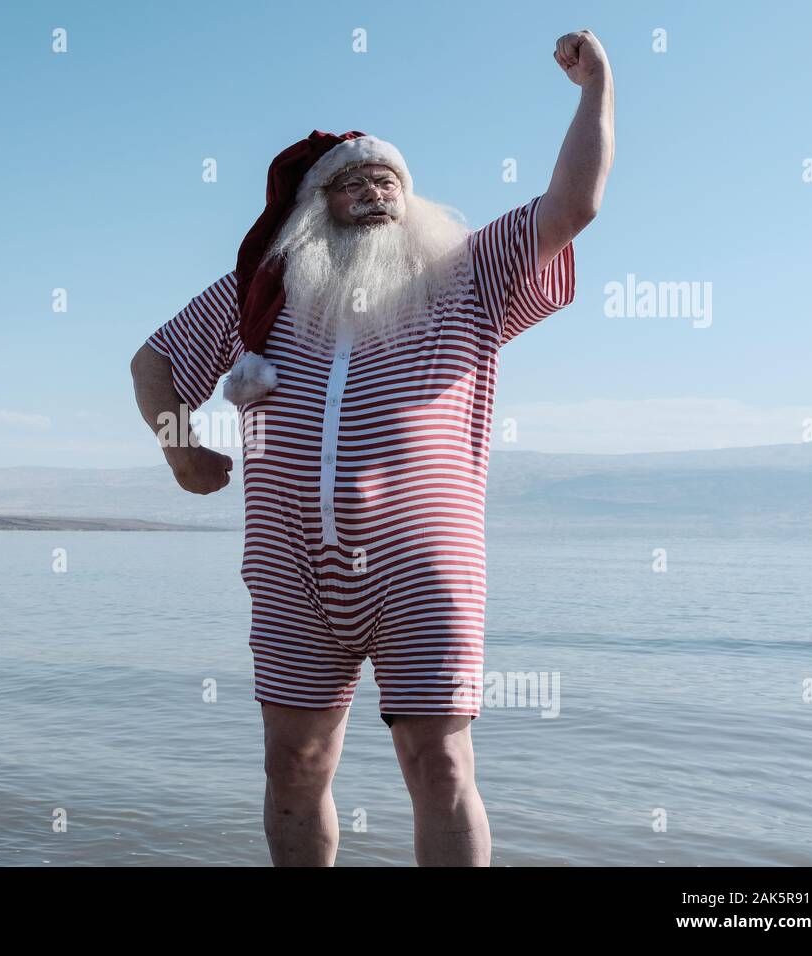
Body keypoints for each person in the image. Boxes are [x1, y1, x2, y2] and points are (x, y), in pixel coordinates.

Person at [130, 31, 614, 866]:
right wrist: (182, 451)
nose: (375, 192)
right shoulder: (264, 298)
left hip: (422, 569)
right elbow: (155, 364)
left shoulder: (467, 275)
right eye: (351, 183)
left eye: (388, 179)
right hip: (288, 571)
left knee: (441, 764)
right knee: (295, 766)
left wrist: (594, 91)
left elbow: (572, 207)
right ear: (315, 208)